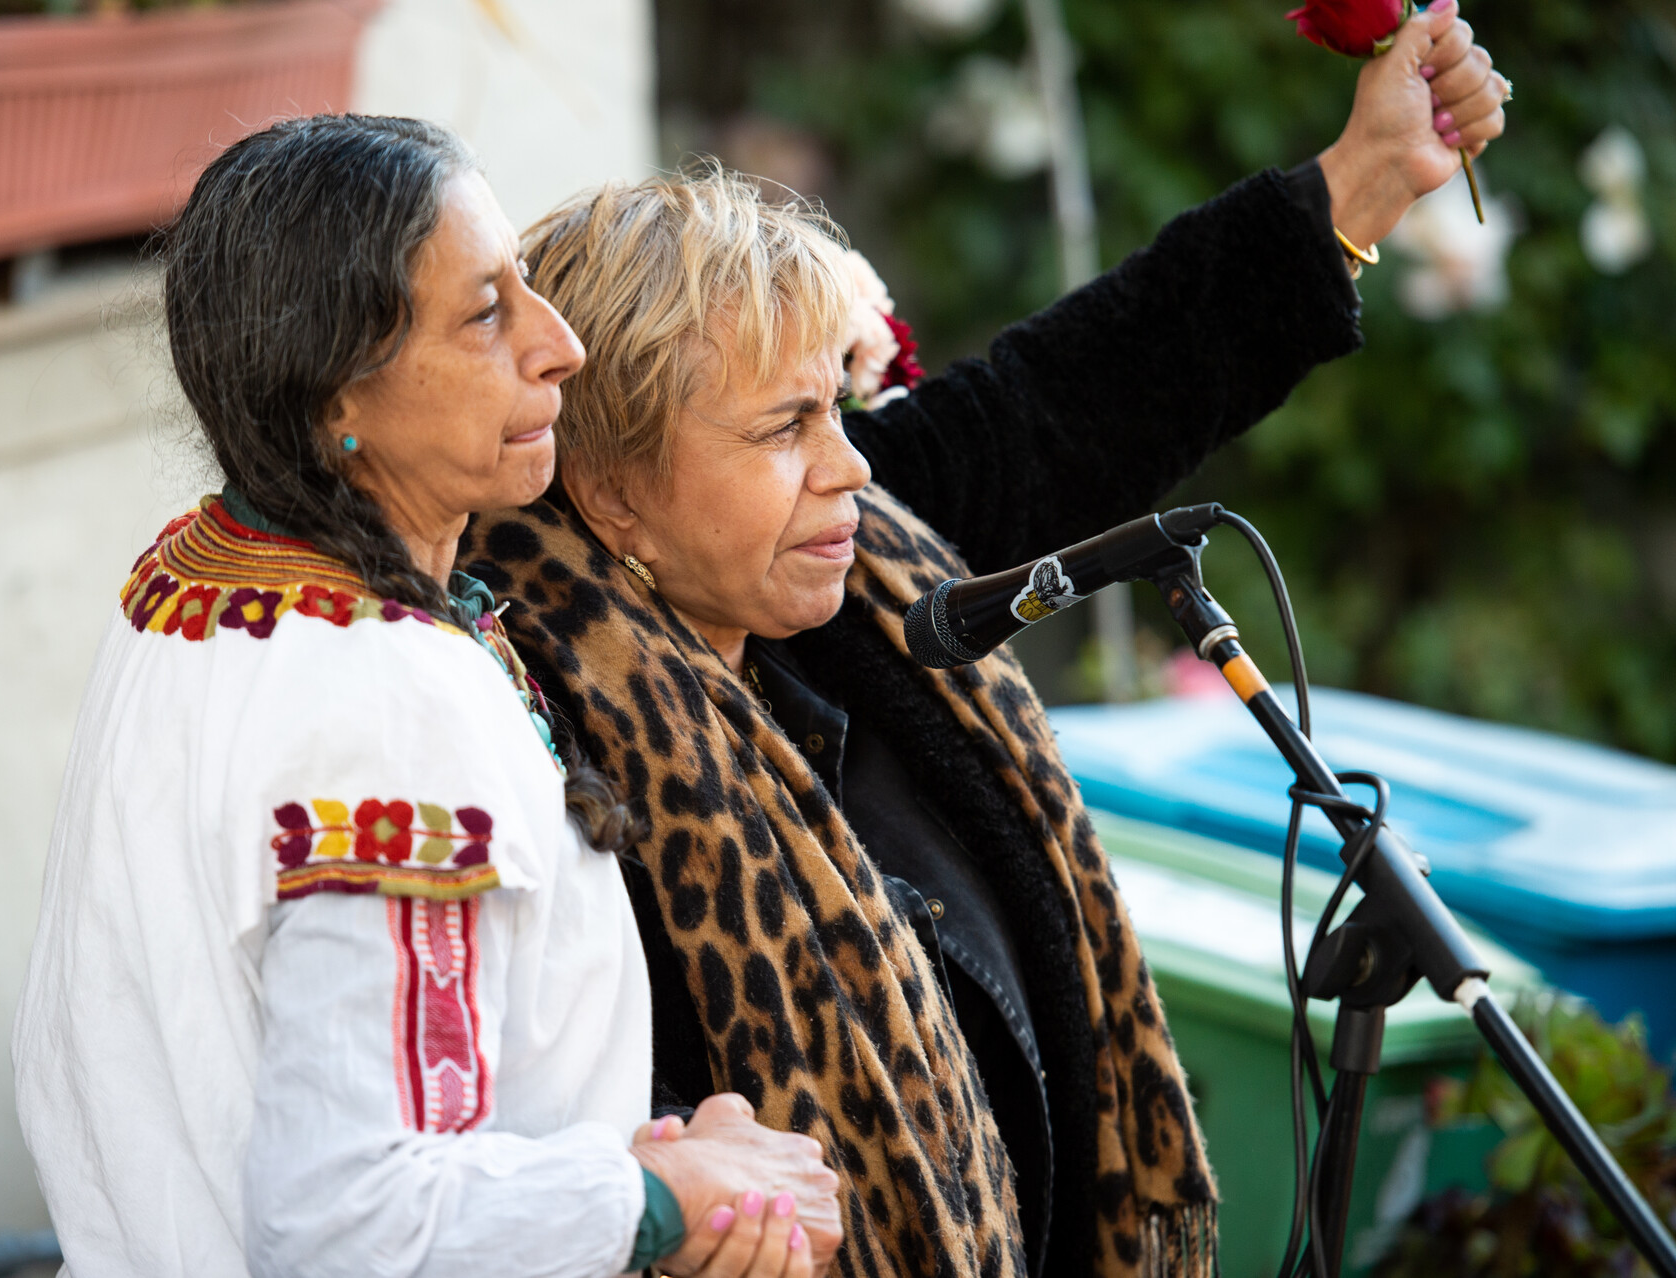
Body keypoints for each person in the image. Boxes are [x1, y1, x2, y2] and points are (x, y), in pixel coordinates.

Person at [460, 6, 1508, 1277]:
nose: (852, 465)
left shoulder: (851, 577)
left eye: (834, 409)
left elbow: (1069, 399)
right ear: (614, 485)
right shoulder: (528, 750)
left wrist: (1369, 177)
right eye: (784, 426)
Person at [11, 116, 843, 1278]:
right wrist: (661, 1194)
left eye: (524, 290)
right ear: (338, 387)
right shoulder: (385, 700)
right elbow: (352, 1220)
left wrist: (635, 1166)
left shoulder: (198, 577)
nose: (560, 348)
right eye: (485, 314)